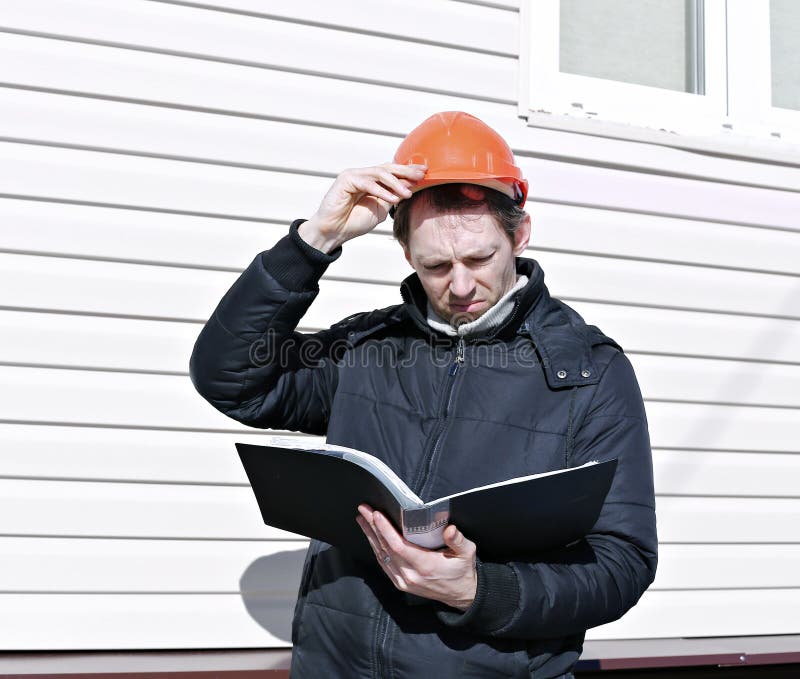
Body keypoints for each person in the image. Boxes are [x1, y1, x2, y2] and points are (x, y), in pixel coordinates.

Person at [190, 111, 658, 678]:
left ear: (521, 233)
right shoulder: (370, 347)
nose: (460, 286)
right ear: (407, 254)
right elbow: (231, 378)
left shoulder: (587, 372)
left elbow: (621, 564)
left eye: (480, 259)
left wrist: (480, 590)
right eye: (436, 265)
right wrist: (316, 240)